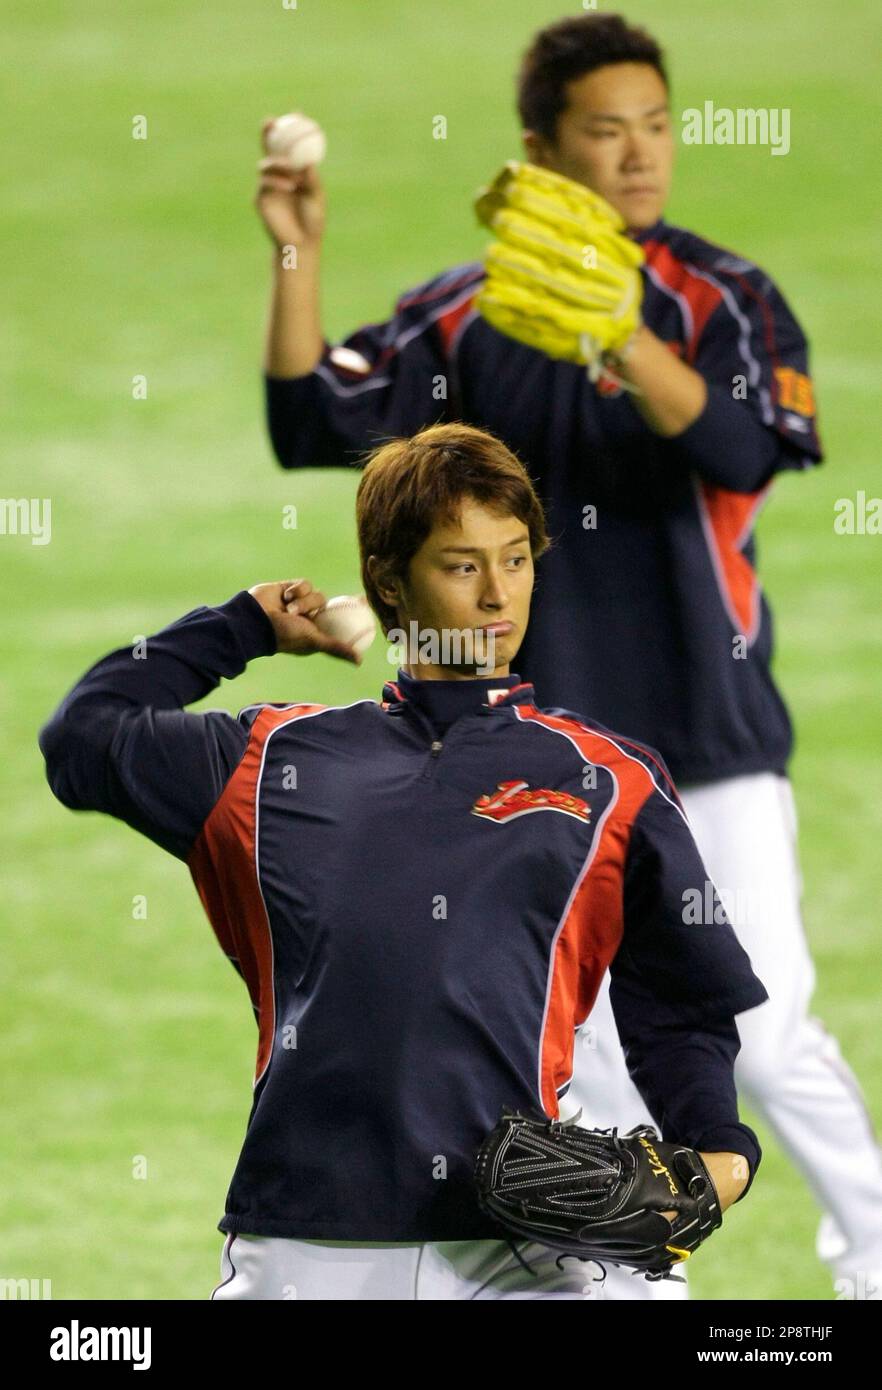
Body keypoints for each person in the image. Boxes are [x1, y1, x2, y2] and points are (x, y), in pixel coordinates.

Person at [253, 12, 882, 1300]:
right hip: (543, 768)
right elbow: (309, 411)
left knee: (757, 1041)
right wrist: (297, 248)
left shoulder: (719, 296)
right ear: (542, 149)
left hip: (706, 742)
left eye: (657, 124)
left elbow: (748, 446)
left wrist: (619, 330)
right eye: (607, 130)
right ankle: (636, 1287)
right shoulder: (464, 318)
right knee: (579, 1056)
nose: (641, 153)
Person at [40, 422, 766, 1301]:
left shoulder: (610, 779)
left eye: (517, 559)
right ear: (389, 580)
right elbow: (83, 737)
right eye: (462, 565)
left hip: (523, 1250)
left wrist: (722, 1156)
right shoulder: (268, 762)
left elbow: (682, 1004)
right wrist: (242, 625)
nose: (498, 595)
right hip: (309, 1240)